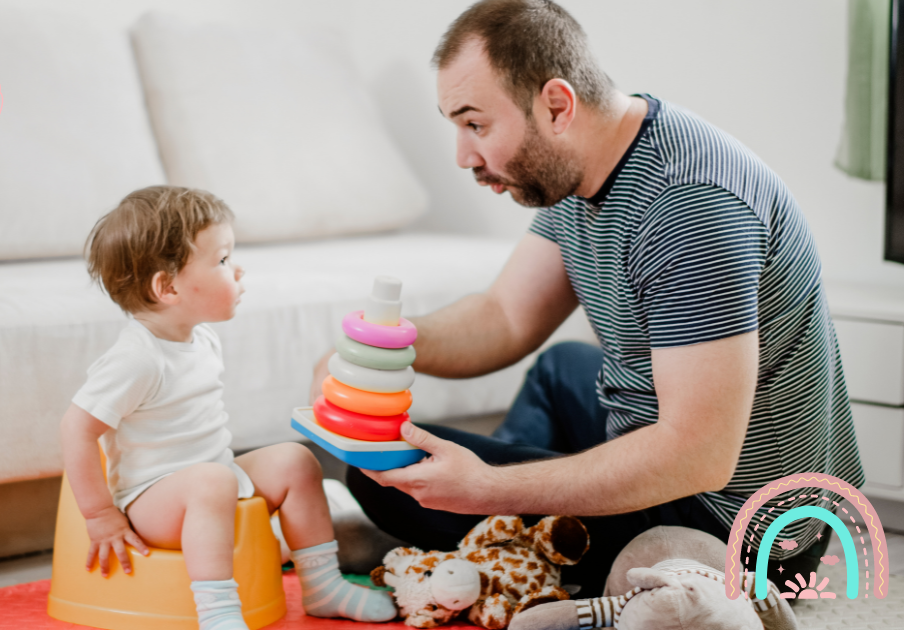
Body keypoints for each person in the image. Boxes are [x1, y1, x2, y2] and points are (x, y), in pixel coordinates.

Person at [310, 0, 865, 599]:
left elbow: (699, 454)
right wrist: (375, 349)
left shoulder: (690, 206)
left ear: (556, 105)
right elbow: (503, 317)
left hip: (747, 535)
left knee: (382, 477)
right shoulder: (591, 161)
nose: (464, 156)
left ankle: (499, 535)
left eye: (476, 125)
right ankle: (516, 535)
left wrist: (490, 487)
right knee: (557, 369)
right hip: (676, 456)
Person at [62, 186, 396, 630]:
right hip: (150, 501)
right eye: (221, 261)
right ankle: (218, 613)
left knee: (296, 460)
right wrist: (101, 515)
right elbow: (76, 429)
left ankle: (322, 586)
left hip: (212, 477)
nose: (237, 269)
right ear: (167, 287)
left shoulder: (200, 338)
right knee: (212, 480)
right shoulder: (137, 358)